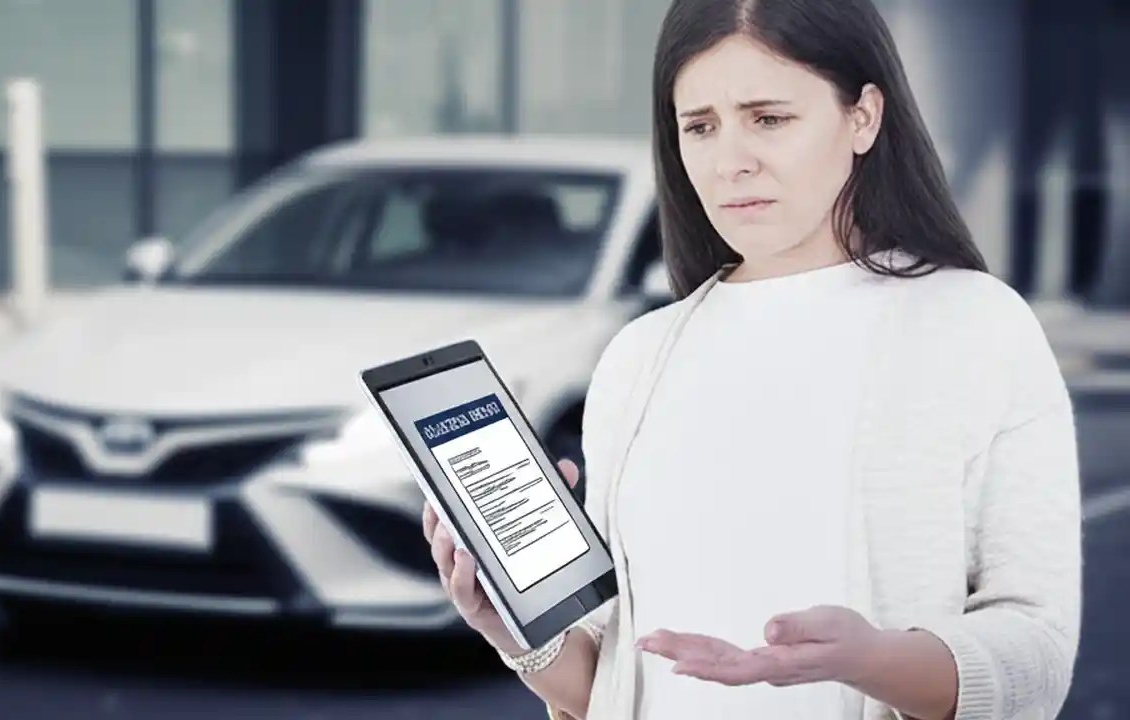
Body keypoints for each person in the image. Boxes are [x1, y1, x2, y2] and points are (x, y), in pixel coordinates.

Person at [421, 0, 1082, 717]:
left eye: (768, 118)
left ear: (863, 117)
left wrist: (872, 661)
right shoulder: (639, 358)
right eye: (700, 127)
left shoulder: (975, 325)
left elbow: (1037, 654)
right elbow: (613, 686)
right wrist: (513, 632)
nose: (731, 162)